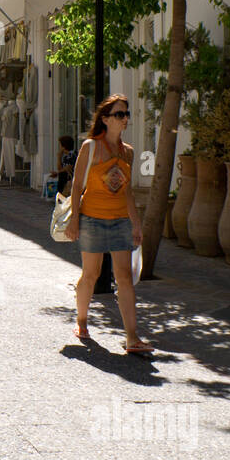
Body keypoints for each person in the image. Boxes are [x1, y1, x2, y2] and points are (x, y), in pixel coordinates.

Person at [63, 94, 153, 355]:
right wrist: (75, 221)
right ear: (105, 119)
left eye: (126, 114)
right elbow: (77, 186)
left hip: (120, 222)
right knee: (90, 275)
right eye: (119, 114)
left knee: (124, 277)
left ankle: (132, 338)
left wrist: (136, 224)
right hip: (92, 219)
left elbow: (127, 192)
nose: (124, 119)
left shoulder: (128, 152)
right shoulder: (90, 146)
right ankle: (81, 321)